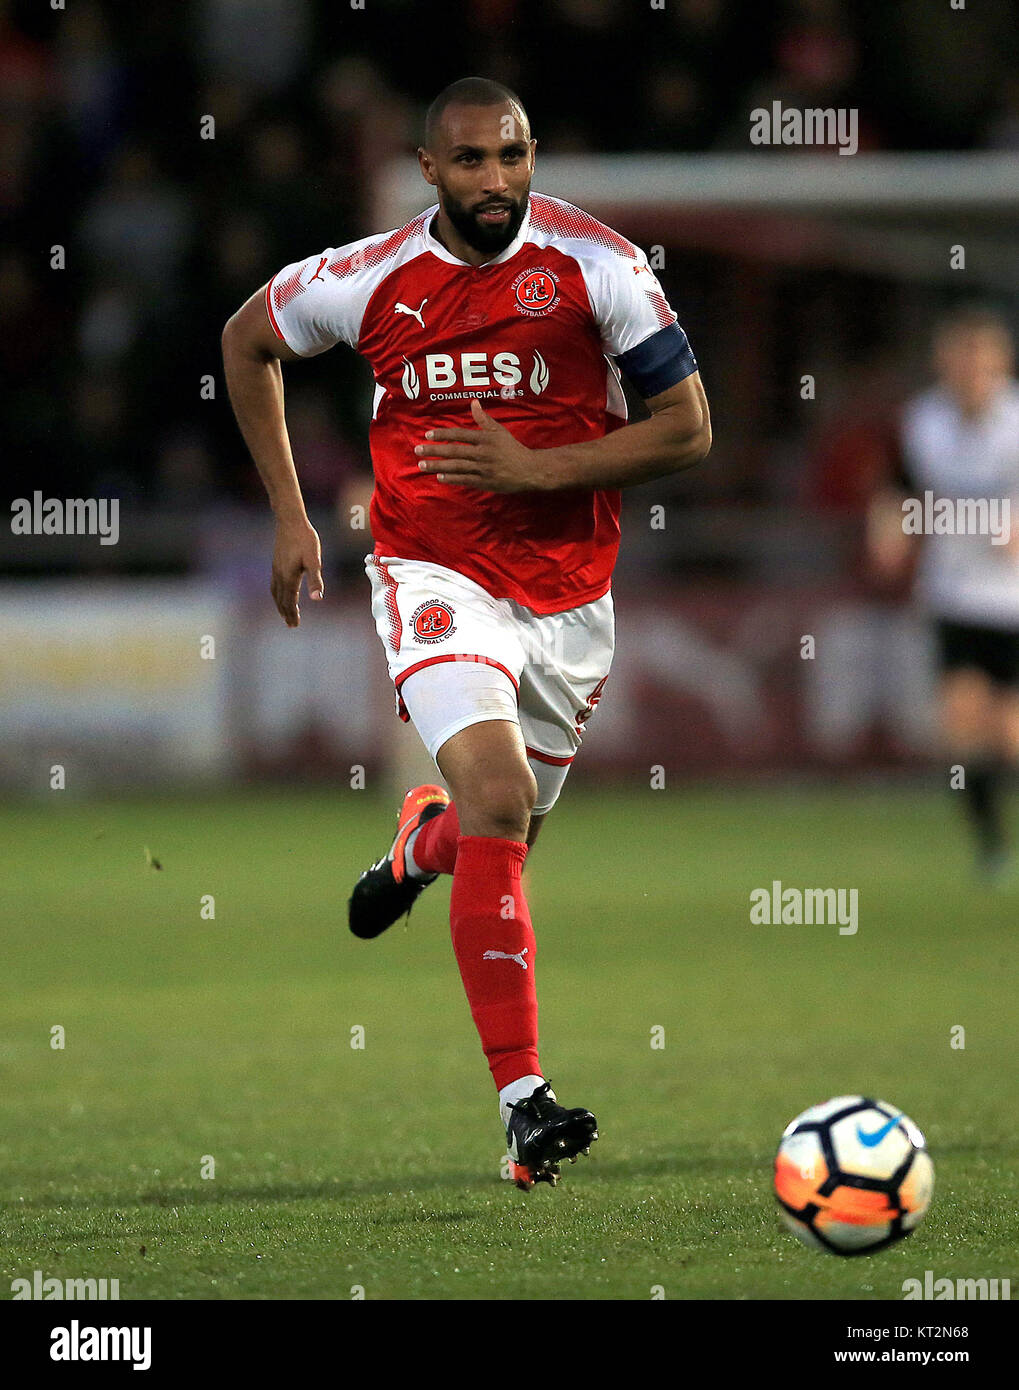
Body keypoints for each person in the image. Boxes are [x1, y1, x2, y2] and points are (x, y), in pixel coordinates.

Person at [222, 77, 711, 1189]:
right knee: (498, 801)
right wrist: (292, 515)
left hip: (570, 599)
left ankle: (418, 847)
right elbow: (246, 343)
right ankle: (524, 1104)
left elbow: (687, 427)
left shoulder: (600, 266)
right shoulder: (369, 276)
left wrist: (544, 468)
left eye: (513, 155)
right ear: (428, 169)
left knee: (502, 838)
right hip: (431, 571)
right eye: (472, 161)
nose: (496, 180)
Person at [868, 306, 1019, 881]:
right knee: (960, 726)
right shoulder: (923, 421)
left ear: (1000, 363)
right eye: (960, 357)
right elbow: (898, 489)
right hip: (954, 595)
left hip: (1013, 598)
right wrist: (888, 530)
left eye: (982, 357)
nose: (971, 369)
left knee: (1008, 737)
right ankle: (992, 849)